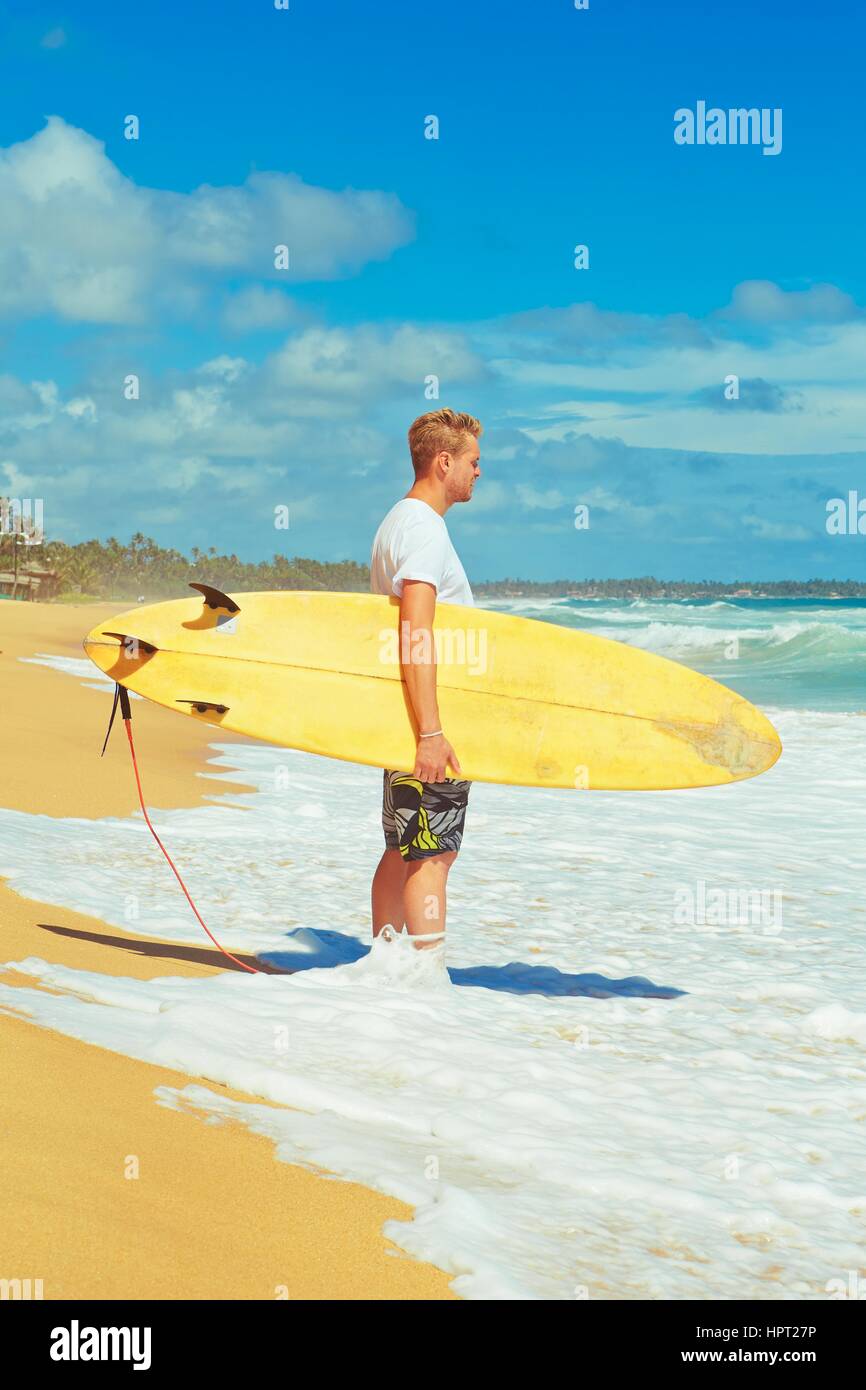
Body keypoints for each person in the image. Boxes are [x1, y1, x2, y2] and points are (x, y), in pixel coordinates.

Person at [369, 408, 482, 952]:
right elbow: (415, 627)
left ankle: (387, 967)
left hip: (404, 714)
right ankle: (424, 982)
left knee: (402, 847)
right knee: (432, 852)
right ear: (444, 462)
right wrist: (432, 732)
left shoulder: (397, 521)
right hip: (427, 722)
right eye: (472, 462)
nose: (478, 473)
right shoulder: (424, 529)